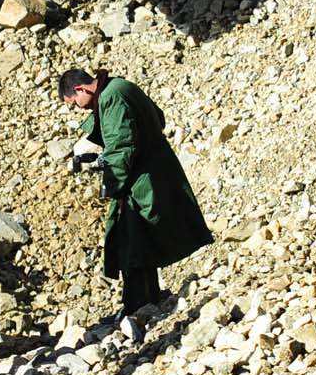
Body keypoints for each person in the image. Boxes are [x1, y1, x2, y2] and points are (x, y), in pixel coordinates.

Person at [59, 69, 212, 341]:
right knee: (138, 237)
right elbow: (156, 119)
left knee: (127, 238)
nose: (77, 110)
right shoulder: (120, 87)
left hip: (140, 178)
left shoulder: (111, 97)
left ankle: (137, 305)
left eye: (74, 103)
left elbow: (121, 147)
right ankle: (148, 298)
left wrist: (114, 185)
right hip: (149, 170)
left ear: (81, 89)